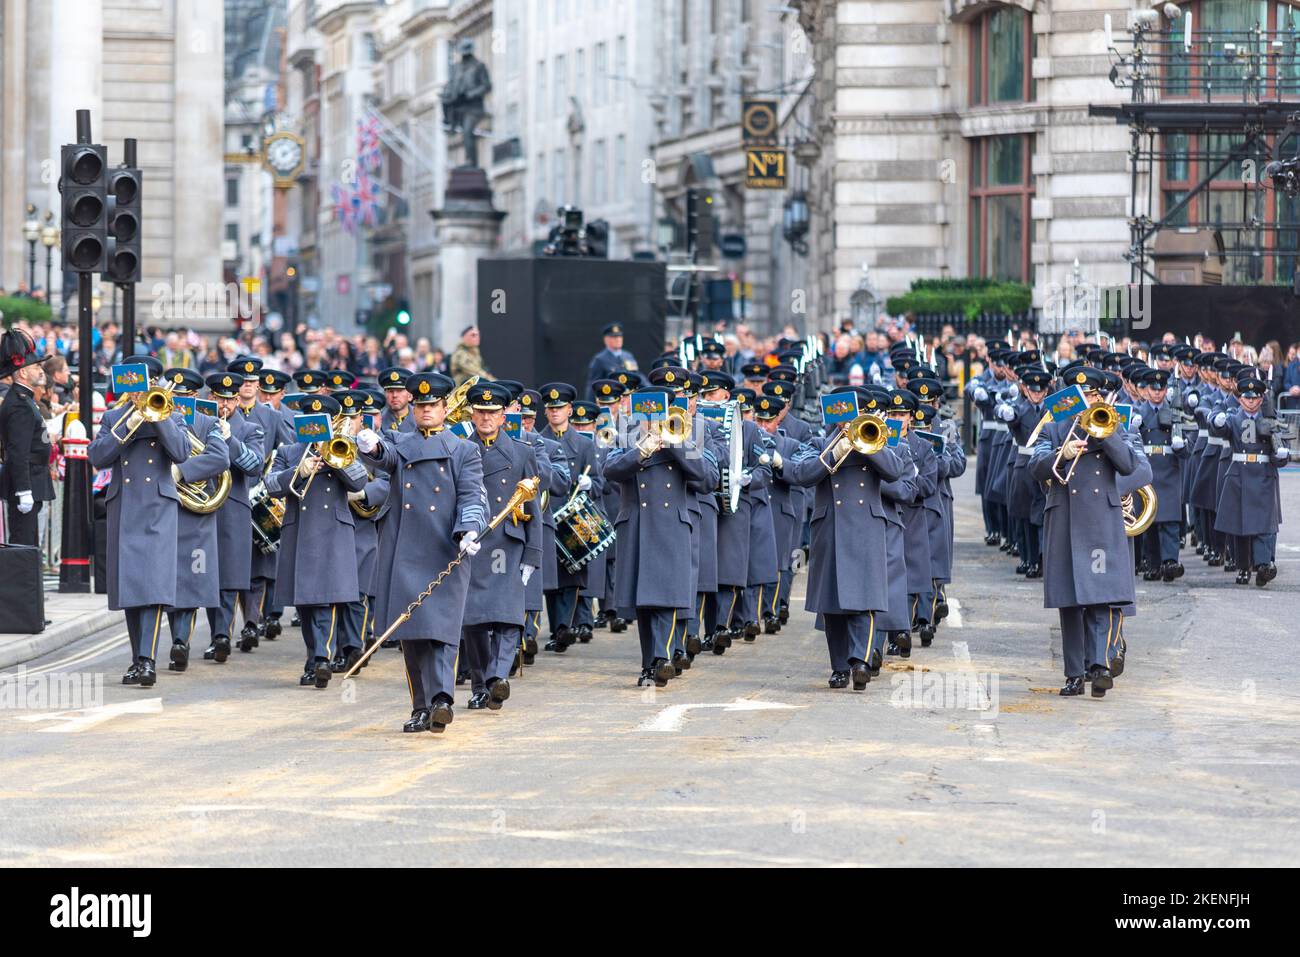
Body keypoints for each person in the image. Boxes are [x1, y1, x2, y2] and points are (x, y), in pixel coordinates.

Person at [355, 372, 488, 733]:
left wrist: (469, 529)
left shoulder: (464, 449)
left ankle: (442, 699)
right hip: (406, 551)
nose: (426, 411)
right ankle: (419, 707)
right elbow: (386, 459)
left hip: (446, 547)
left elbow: (471, 494)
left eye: (432, 405)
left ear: (446, 408)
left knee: (441, 631)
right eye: (420, 405)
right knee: (411, 634)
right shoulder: (400, 442)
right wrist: (369, 446)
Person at [1029, 366, 1139, 699]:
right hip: (1065, 522)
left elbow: (1130, 465)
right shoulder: (1054, 427)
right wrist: (1060, 454)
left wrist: (1106, 436)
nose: (1087, 401)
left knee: (1100, 597)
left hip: (1099, 524)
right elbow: (1033, 468)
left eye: (1092, 395)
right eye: (1081, 396)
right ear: (1070, 398)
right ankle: (1075, 673)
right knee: (1070, 603)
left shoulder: (1113, 424)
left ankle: (1100, 667)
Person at [790, 393, 906, 690]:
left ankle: (861, 661)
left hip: (865, 526)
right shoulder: (820, 443)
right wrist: (835, 451)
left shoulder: (879, 438)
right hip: (830, 527)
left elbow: (894, 471)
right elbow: (802, 474)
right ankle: (839, 666)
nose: (848, 420)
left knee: (864, 599)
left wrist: (866, 444)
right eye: (843, 416)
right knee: (833, 602)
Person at [88, 355, 190, 688]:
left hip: (158, 507)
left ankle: (146, 660)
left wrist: (156, 415)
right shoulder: (114, 416)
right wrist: (129, 424)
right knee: (132, 587)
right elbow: (97, 456)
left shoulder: (170, 411)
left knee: (152, 586)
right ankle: (138, 659)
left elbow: (181, 452)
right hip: (126, 506)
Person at [603, 386, 712, 686]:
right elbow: (610, 469)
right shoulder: (625, 432)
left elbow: (703, 475)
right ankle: (649, 663)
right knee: (645, 601)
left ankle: (662, 658)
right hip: (638, 522)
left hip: (671, 523)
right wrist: (643, 447)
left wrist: (672, 441)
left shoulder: (685, 432)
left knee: (666, 597)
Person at [263, 394, 369, 689]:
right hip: (300, 531)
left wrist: (336, 461)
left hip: (333, 531)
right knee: (306, 603)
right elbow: (270, 484)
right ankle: (314, 657)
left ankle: (322, 657)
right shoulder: (289, 451)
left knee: (325, 599)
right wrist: (300, 470)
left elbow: (360, 482)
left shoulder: (343, 449)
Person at [459, 381, 542, 709]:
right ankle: (480, 684)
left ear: (504, 415)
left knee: (508, 616)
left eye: (493, 412)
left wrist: (533, 554)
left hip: (507, 544)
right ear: (473, 414)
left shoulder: (522, 452)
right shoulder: (460, 449)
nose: (486, 418)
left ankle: (497, 677)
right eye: (481, 412)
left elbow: (533, 507)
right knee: (475, 621)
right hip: (474, 544)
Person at [161, 368, 229, 672]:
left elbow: (220, 459)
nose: (179, 402)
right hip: (165, 511)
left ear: (194, 397)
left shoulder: (208, 423)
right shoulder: (159, 419)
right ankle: (177, 639)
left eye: (185, 396)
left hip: (196, 512)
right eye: (175, 396)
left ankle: (180, 640)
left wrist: (182, 471)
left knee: (190, 582)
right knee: (167, 580)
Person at [201, 372, 266, 660]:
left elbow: (254, 466)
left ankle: (221, 635)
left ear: (238, 400)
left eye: (230, 398)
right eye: (219, 398)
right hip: (202, 507)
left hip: (233, 509)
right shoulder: (201, 425)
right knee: (206, 576)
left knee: (228, 577)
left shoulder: (251, 429)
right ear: (211, 399)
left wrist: (231, 441)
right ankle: (216, 634)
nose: (225, 403)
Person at [0, 330, 55, 546]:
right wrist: (24, 489)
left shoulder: (24, 400)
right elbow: (18, 451)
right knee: (23, 543)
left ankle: (28, 580)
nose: (40, 370)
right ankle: (20, 581)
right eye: (36, 367)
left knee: (29, 544)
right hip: (27, 481)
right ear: (22, 373)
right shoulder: (19, 404)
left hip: (35, 477)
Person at [585, 322, 640, 398]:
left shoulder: (628, 356)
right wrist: (593, 407)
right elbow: (593, 386)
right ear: (606, 339)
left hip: (629, 399)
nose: (618, 339)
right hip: (611, 400)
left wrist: (650, 389)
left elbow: (638, 376)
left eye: (620, 336)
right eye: (614, 337)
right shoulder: (599, 359)